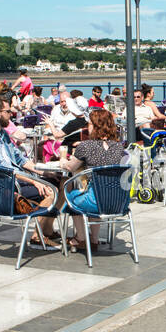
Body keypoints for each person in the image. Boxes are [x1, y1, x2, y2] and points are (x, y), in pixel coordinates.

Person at [0, 95, 59, 246]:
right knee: (50, 190)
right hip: (3, 189)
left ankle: (47, 230)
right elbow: (3, 168)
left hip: (16, 182)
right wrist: (34, 181)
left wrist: (44, 173)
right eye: (7, 111)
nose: (11, 114)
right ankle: (37, 236)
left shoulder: (3, 134)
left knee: (57, 182)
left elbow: (20, 160)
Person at [59, 108, 128, 252]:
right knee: (98, 192)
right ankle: (94, 240)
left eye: (89, 124)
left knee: (71, 197)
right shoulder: (120, 148)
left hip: (96, 201)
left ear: (96, 126)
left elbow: (71, 167)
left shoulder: (86, 146)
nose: (86, 127)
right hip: (119, 202)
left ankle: (81, 239)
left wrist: (61, 160)